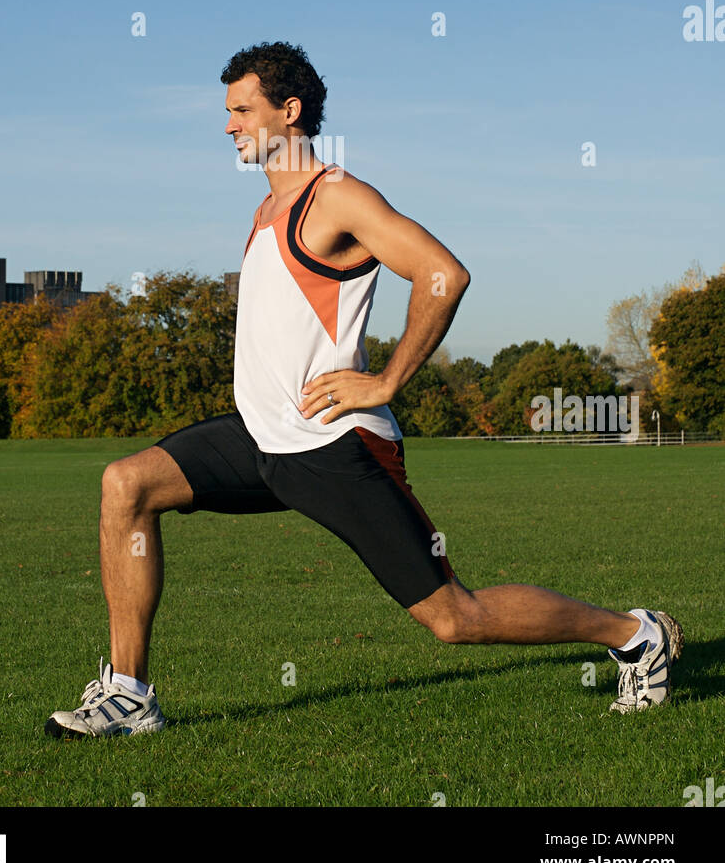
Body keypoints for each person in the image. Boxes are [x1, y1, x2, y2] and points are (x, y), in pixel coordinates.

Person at [45, 42, 682, 737]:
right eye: (227, 111)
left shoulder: (336, 197)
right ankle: (130, 695)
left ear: (289, 111)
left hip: (333, 446)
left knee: (453, 619)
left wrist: (384, 381)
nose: (228, 126)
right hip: (258, 438)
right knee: (126, 486)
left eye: (241, 110)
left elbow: (443, 274)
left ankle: (633, 633)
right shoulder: (267, 210)